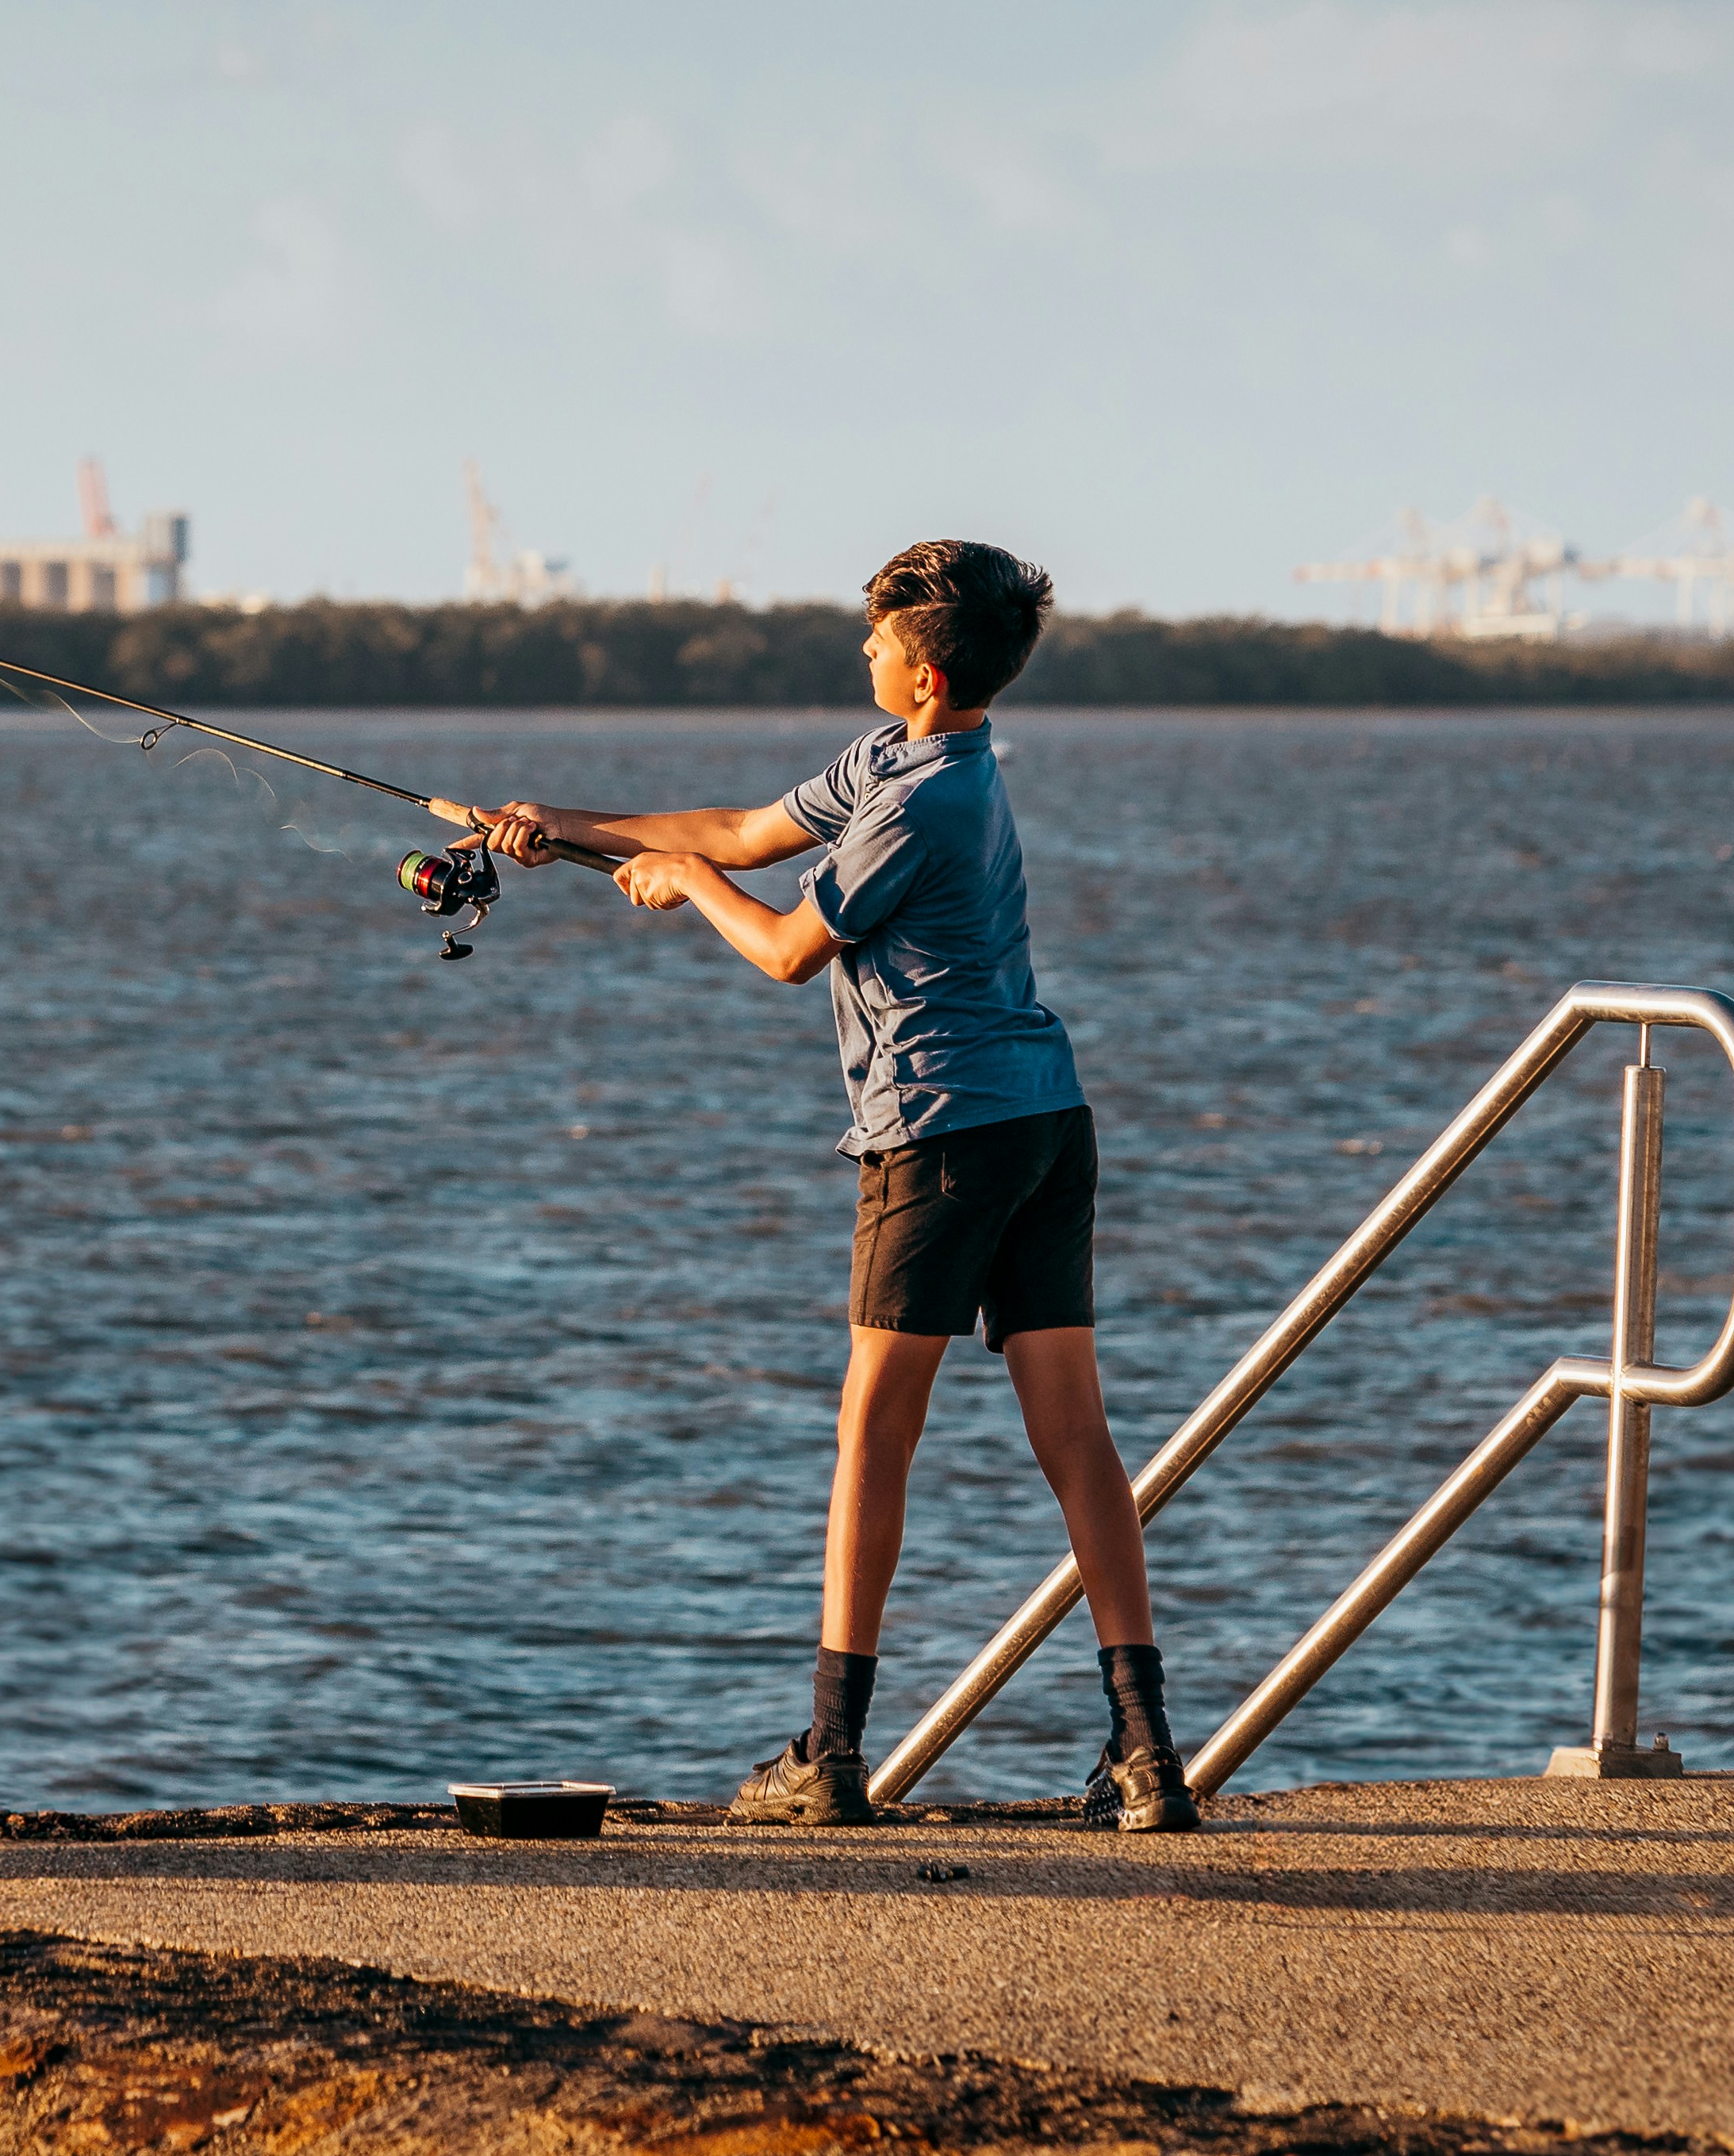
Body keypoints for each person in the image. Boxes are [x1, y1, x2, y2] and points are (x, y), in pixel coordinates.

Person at [434, 538, 1199, 1832]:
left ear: (927, 672)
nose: (862, 650)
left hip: (943, 1136)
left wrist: (692, 887)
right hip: (1043, 1121)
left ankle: (830, 1754)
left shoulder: (925, 805)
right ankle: (1148, 1757)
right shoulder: (907, 757)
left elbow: (787, 945)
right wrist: (555, 825)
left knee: (873, 1432)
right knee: (1076, 1435)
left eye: (880, 640)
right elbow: (734, 829)